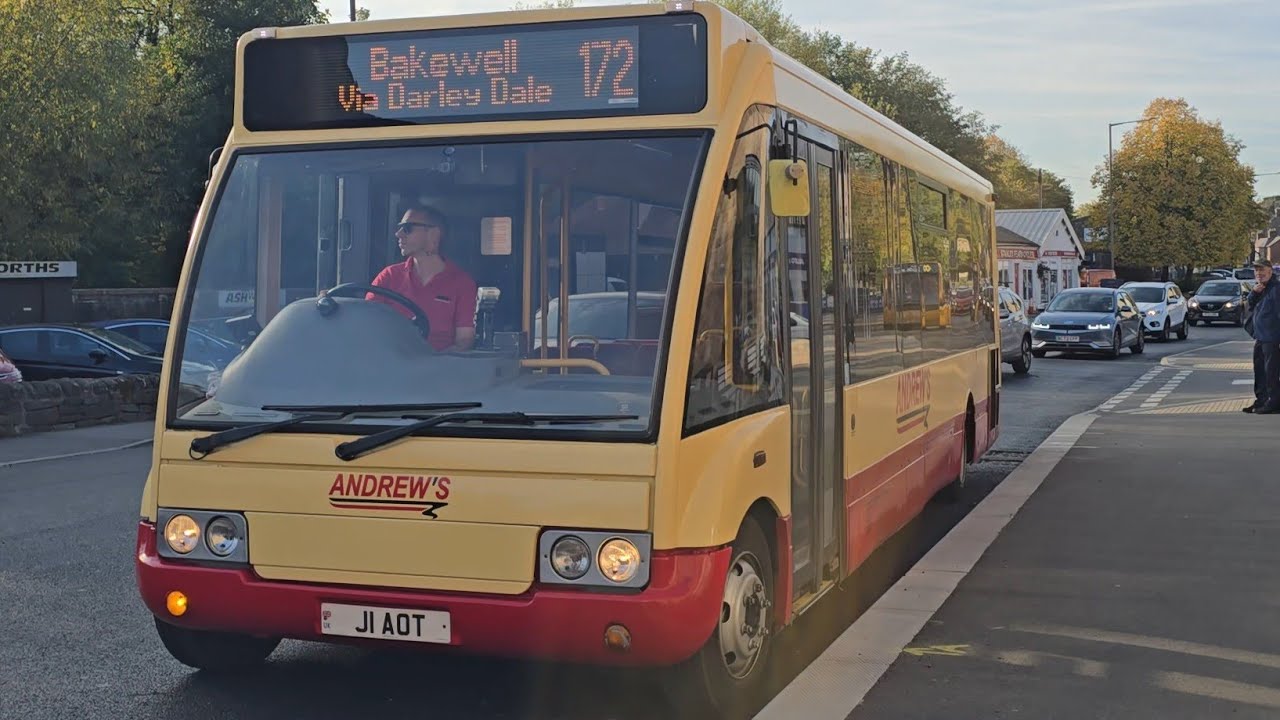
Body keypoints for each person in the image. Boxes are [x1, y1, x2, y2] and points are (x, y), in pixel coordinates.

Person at [369, 206, 478, 352]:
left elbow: (464, 341)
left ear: (433, 234)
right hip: (390, 367)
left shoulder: (462, 283)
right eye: (399, 228)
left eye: (407, 228)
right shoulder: (388, 276)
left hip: (440, 371)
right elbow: (366, 326)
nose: (398, 234)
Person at [1243, 259, 1280, 414]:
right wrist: (1253, 293)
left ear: (1270, 271)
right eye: (1256, 271)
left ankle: (1274, 403)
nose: (1259, 273)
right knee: (1260, 371)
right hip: (1260, 337)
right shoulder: (1261, 288)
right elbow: (1250, 307)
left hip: (1273, 338)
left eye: (1262, 270)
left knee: (1271, 372)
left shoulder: (1276, 289)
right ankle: (1261, 400)